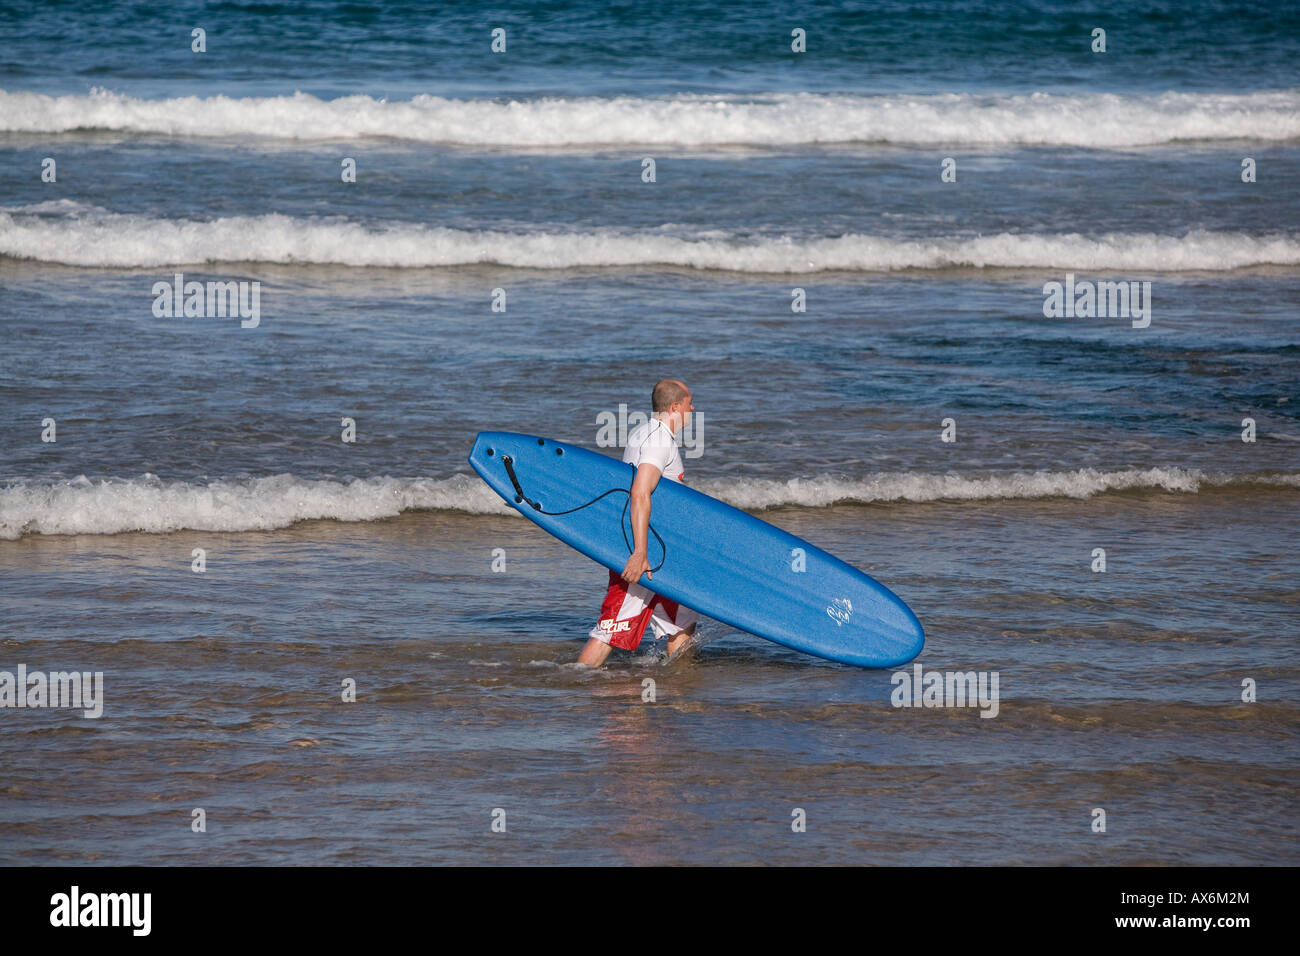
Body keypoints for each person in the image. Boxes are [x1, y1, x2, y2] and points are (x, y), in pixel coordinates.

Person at [577, 379, 700, 667]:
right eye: (688, 403)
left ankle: (681, 696)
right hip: (644, 554)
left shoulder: (647, 433)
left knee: (683, 621)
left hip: (661, 553)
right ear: (674, 407)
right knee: (613, 628)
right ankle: (575, 686)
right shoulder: (658, 440)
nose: (692, 409)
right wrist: (640, 553)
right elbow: (640, 492)